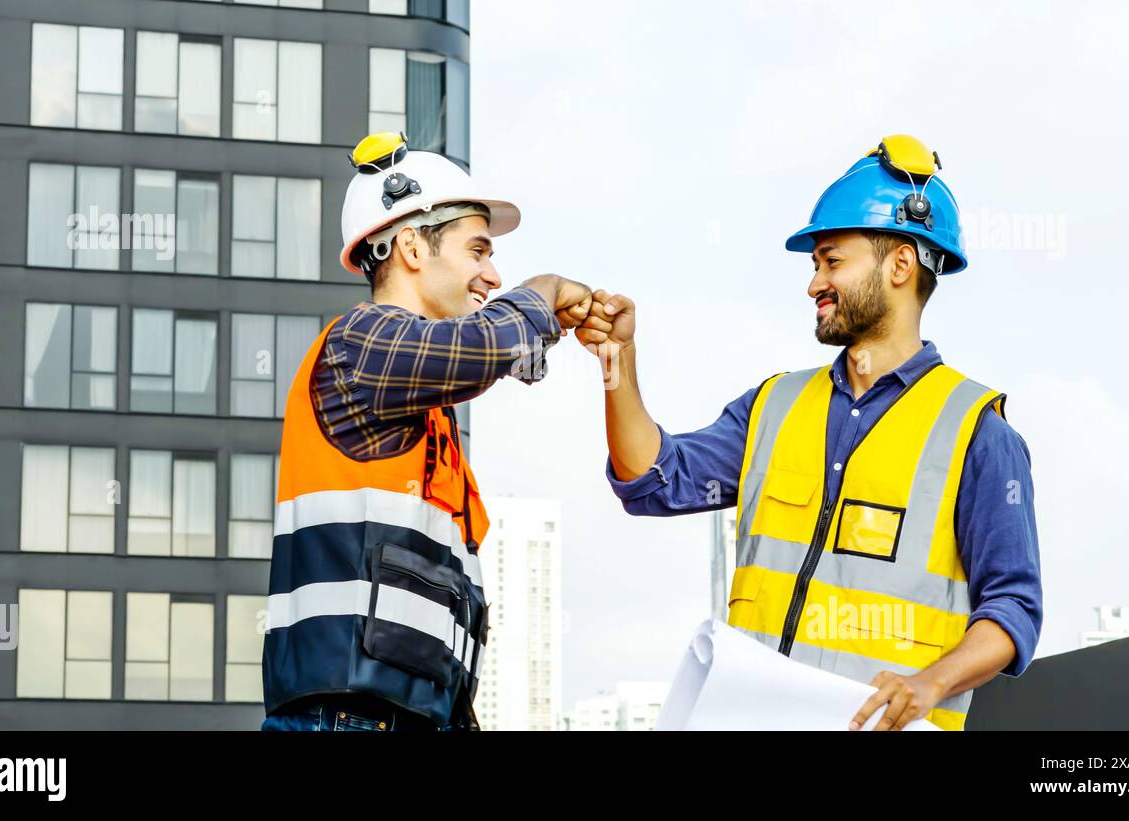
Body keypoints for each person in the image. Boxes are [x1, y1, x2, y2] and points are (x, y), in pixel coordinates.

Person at [577, 135, 1043, 731]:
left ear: (900, 263)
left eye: (832, 260)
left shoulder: (978, 434)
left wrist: (929, 685)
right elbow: (651, 481)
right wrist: (619, 360)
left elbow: (1014, 609)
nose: (814, 283)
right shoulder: (774, 406)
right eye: (814, 264)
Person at [260, 132, 594, 731]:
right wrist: (542, 292)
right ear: (412, 247)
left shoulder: (425, 409)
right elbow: (487, 346)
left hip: (401, 715)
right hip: (347, 716)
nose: (492, 274)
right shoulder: (359, 344)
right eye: (477, 251)